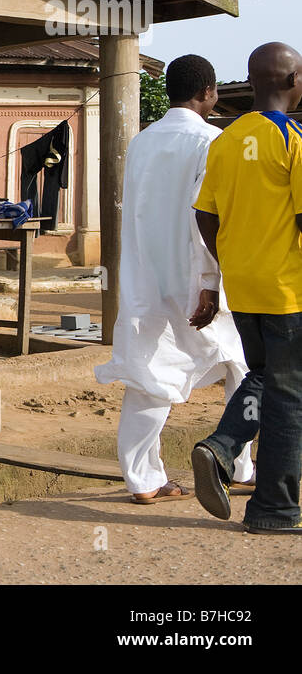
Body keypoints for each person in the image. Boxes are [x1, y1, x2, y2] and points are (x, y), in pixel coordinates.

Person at [95, 55, 254, 503]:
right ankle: (236, 463)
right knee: (243, 366)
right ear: (208, 91)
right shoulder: (211, 140)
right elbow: (206, 216)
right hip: (198, 279)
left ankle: (146, 478)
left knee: (150, 373)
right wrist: (209, 282)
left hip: (147, 276)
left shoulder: (143, 141)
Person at [190, 42, 302, 534]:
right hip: (289, 291)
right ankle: (274, 509)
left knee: (264, 376)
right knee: (289, 396)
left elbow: (204, 214)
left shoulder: (226, 139)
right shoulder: (293, 139)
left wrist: (230, 264)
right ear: (295, 78)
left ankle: (221, 446)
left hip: (247, 289)